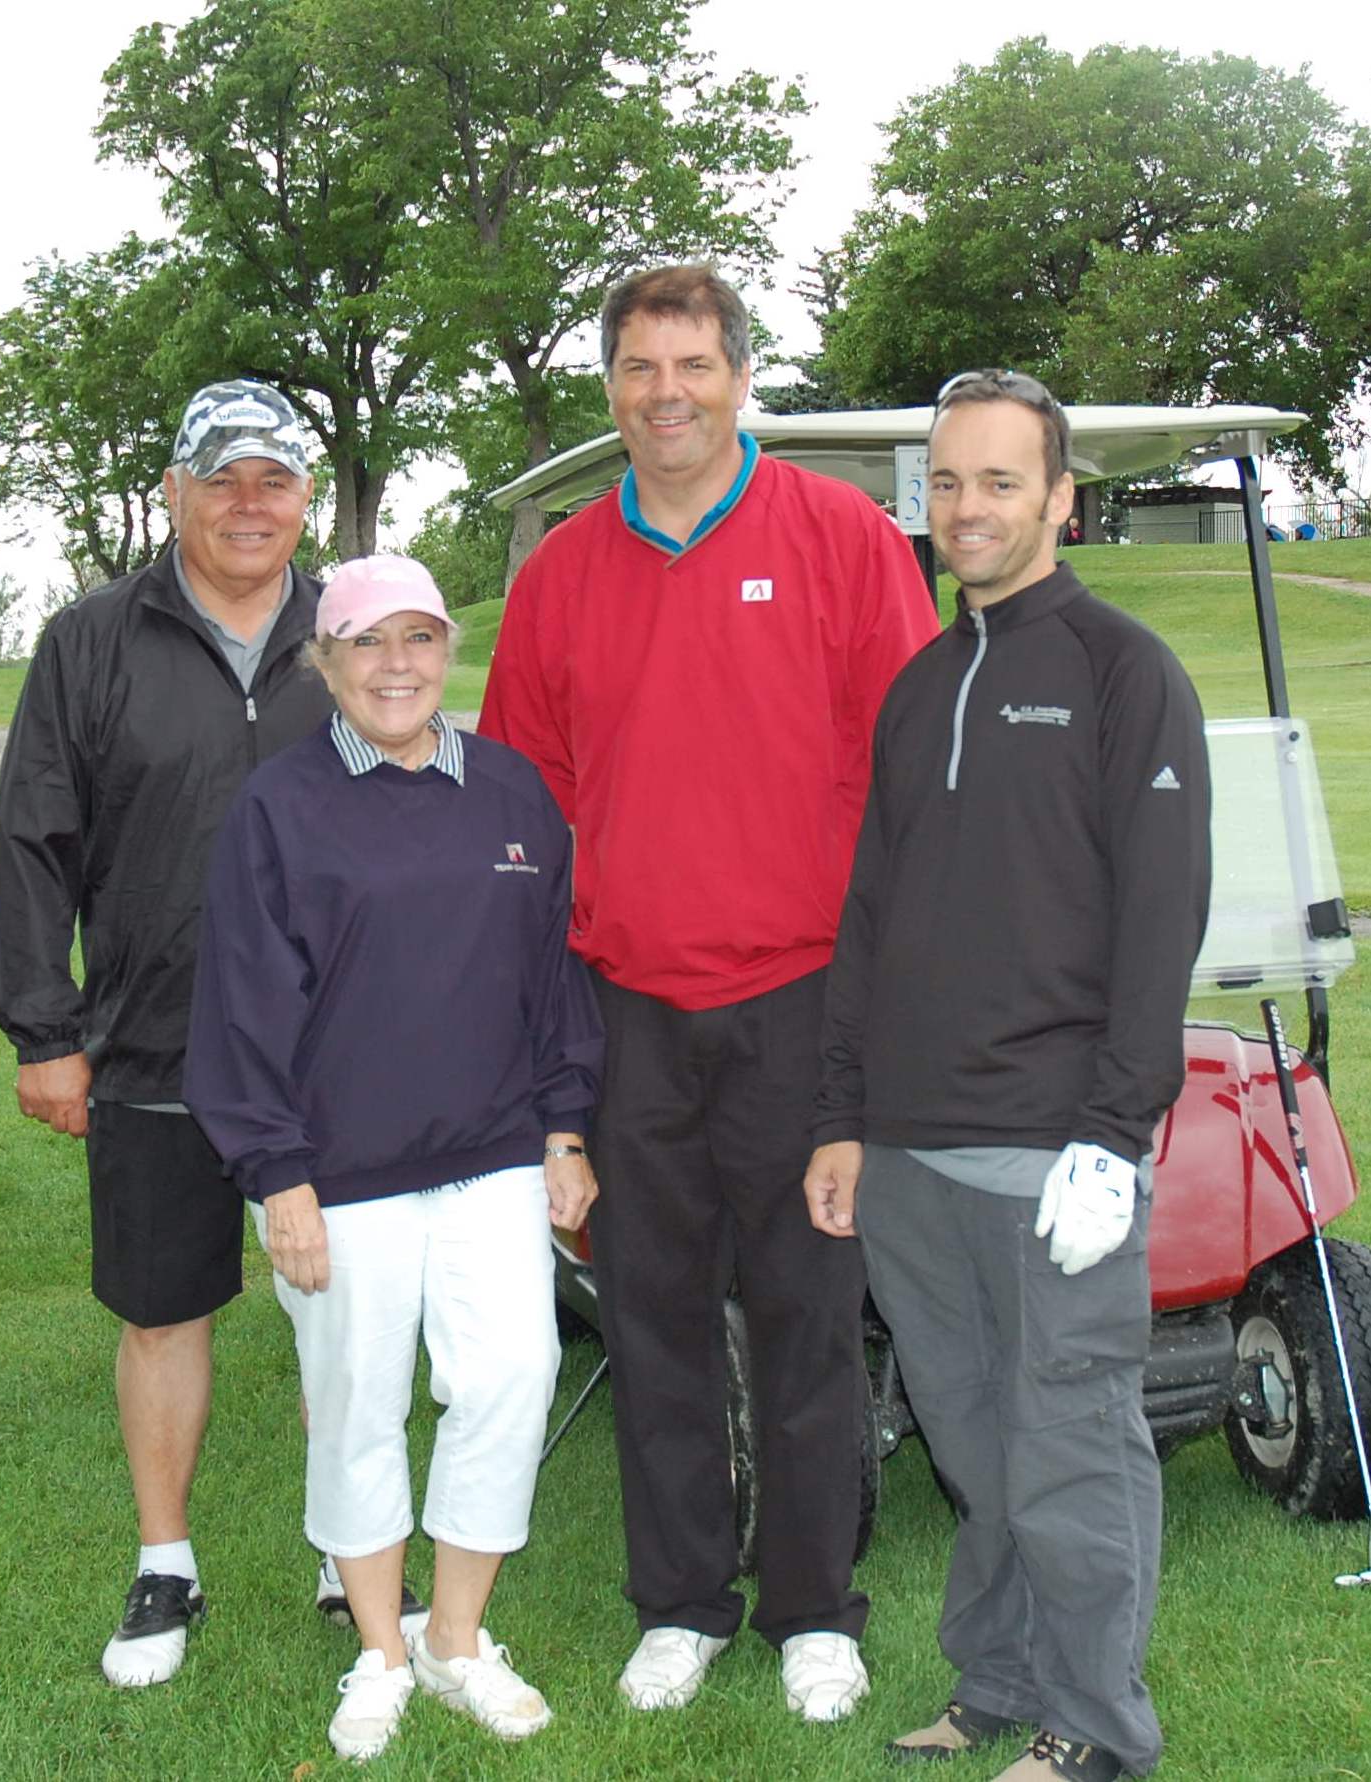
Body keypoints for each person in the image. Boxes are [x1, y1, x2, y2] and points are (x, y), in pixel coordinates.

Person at [479, 264, 939, 1722]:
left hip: (804, 999)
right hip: (625, 1011)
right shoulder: (559, 574)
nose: (664, 392)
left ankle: (813, 1609)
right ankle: (679, 1602)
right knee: (654, 1319)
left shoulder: (839, 536)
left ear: (742, 378)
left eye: (691, 364)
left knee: (808, 1310)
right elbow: (526, 814)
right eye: (638, 367)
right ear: (611, 387)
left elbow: (909, 780)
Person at [804, 369, 1211, 1781]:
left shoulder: (1121, 671)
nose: (966, 507)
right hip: (912, 1148)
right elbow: (869, 914)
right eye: (946, 481)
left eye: (998, 480)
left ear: (1059, 498)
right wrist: (842, 1115)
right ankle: (996, 1682)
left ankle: (1093, 1728)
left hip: (1054, 1148)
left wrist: (1115, 1128)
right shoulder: (920, 689)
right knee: (975, 1447)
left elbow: (1160, 915)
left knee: (1069, 1445)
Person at [183, 554, 602, 1759]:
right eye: (366, 642)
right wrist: (278, 1175)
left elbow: (554, 980)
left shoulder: (512, 793)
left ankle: (455, 1638)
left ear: (447, 653)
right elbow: (242, 1004)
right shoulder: (280, 805)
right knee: (357, 1403)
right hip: (338, 1177)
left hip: (494, 1159)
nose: (395, 664)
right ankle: (378, 1647)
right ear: (325, 664)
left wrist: (565, 1127)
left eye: (417, 637)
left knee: (511, 1379)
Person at [0, 379, 343, 1688]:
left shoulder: (351, 631)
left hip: (329, 1054)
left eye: (273, 479)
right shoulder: (91, 640)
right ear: (176, 491)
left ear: (305, 495)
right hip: (152, 1041)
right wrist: (43, 1027)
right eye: (221, 479)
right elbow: (33, 837)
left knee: (339, 1313)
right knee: (161, 1310)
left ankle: (348, 1544)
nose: (249, 503)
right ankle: (165, 1561)